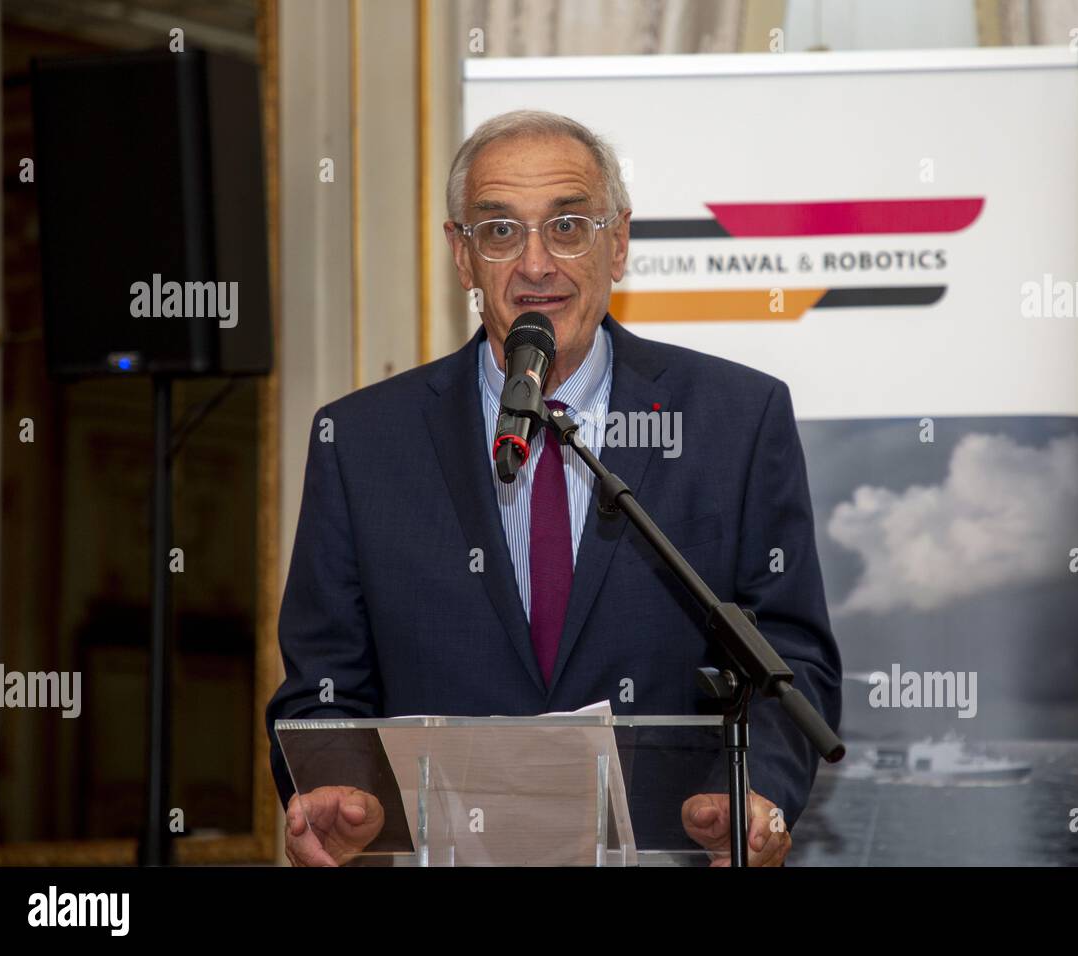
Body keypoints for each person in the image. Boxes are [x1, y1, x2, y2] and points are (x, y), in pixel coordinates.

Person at [267, 110, 842, 867]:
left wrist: (754, 791)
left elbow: (791, 656)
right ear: (462, 256)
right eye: (500, 232)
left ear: (620, 242)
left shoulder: (735, 420)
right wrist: (343, 791)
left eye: (568, 225)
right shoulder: (362, 442)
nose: (536, 264)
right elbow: (324, 686)